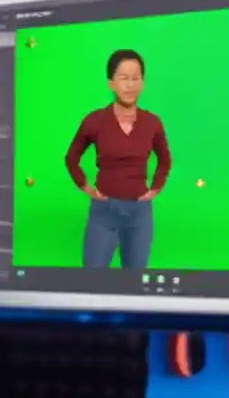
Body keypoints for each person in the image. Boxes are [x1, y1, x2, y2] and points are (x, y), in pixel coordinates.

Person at [63, 49, 171, 270]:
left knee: (134, 281)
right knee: (93, 278)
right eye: (123, 78)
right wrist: (86, 188)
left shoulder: (152, 122)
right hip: (104, 212)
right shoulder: (94, 120)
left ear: (142, 82)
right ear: (111, 83)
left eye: (135, 78)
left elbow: (165, 159)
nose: (130, 85)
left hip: (139, 214)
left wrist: (155, 188)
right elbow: (71, 158)